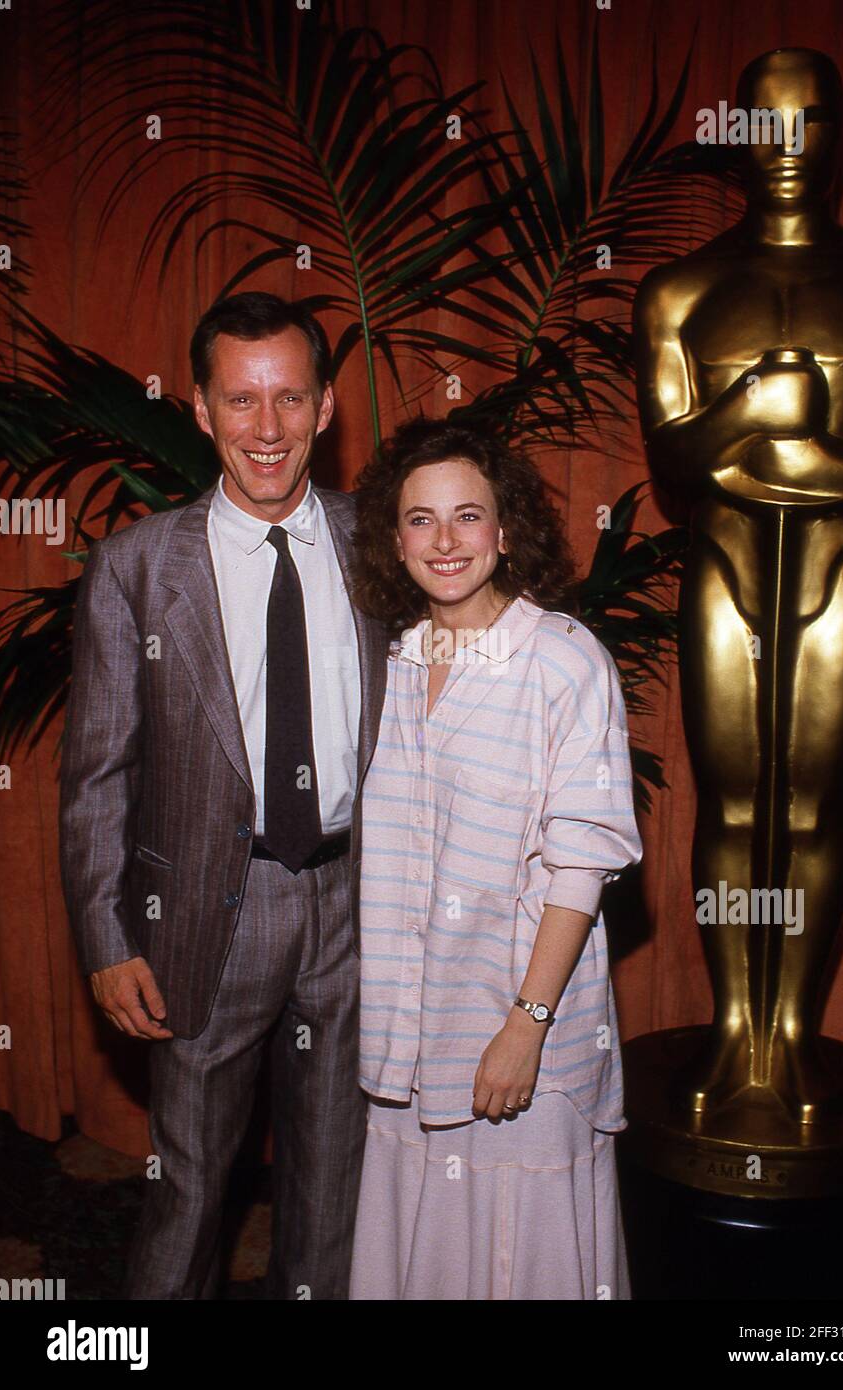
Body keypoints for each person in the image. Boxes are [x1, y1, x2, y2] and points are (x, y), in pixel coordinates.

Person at [58, 291, 388, 1299]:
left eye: (290, 398)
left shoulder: (383, 543)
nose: (268, 428)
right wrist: (108, 940)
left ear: (327, 406)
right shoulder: (136, 569)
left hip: (358, 904)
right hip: (209, 907)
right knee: (192, 1190)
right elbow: (97, 772)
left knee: (336, 1191)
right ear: (200, 408)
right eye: (241, 401)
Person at [347, 418, 643, 1300]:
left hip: (520, 1027)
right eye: (422, 520)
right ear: (394, 543)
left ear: (505, 530)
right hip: (411, 1029)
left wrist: (526, 1026)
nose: (446, 541)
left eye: (468, 516)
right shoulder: (395, 662)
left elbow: (581, 863)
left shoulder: (561, 659)